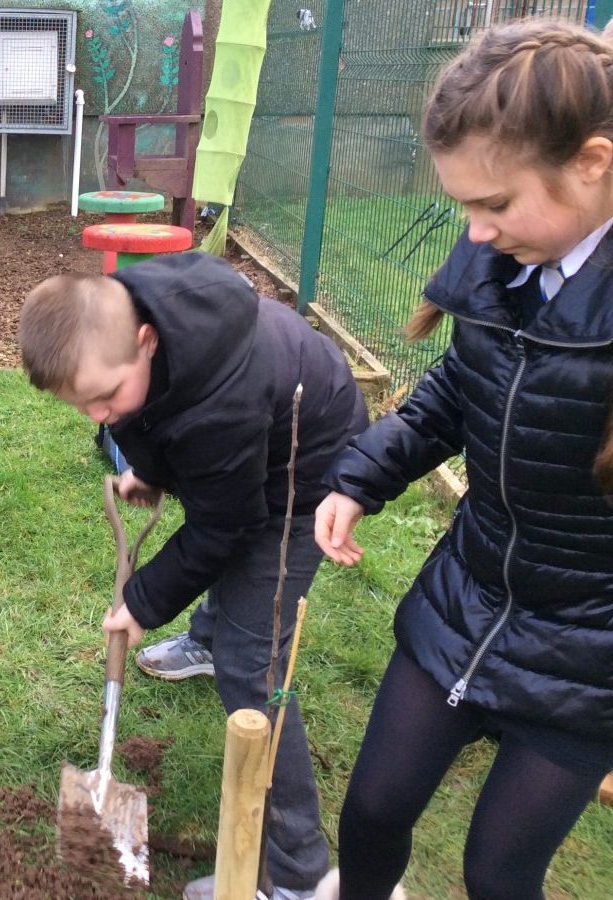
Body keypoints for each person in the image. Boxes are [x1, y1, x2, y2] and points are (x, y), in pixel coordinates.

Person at [311, 19, 613, 900]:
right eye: (462, 208)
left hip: (589, 650)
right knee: (371, 808)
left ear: (592, 163)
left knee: (498, 873)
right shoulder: (502, 260)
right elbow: (456, 388)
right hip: (467, 596)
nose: (474, 234)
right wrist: (360, 478)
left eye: (495, 205)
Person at [18, 252, 368, 899]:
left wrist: (142, 601)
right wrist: (151, 469)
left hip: (304, 474)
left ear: (145, 342)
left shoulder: (219, 409)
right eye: (81, 405)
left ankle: (296, 872)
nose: (98, 416)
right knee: (219, 534)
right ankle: (207, 639)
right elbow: (148, 411)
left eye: (103, 397)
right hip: (252, 443)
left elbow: (226, 524)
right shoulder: (133, 313)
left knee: (251, 662)